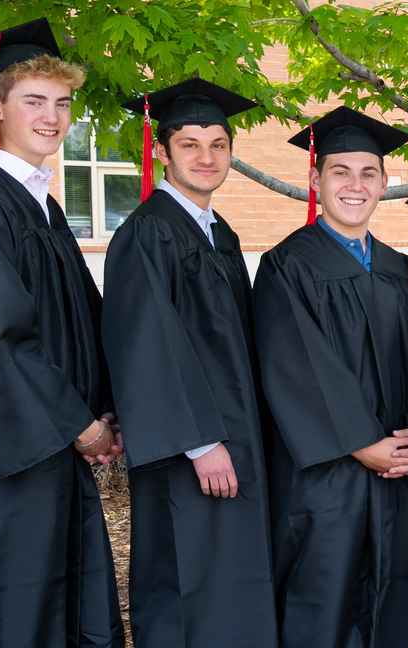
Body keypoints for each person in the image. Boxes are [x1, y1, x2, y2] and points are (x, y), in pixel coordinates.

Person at [0, 20, 125, 646]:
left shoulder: (38, 201)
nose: (52, 117)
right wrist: (80, 424)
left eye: (62, 103)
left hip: (56, 448)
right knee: (24, 605)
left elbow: (83, 318)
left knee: (67, 600)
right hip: (22, 453)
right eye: (33, 101)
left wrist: (106, 411)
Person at [101, 77, 276, 646]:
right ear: (161, 151)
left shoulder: (216, 232)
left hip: (230, 440)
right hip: (191, 452)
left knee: (226, 584)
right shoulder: (149, 234)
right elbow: (145, 346)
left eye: (218, 144)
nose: (206, 157)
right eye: (190, 144)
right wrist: (201, 443)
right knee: (187, 585)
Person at [253, 106, 408, 647]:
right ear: (315, 178)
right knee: (323, 597)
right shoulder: (287, 265)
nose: (356, 186)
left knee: (391, 593)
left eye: (368, 173)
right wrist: (360, 443)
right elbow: (295, 366)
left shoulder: (398, 269)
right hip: (325, 475)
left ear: (383, 183)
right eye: (340, 172)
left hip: (396, 470)